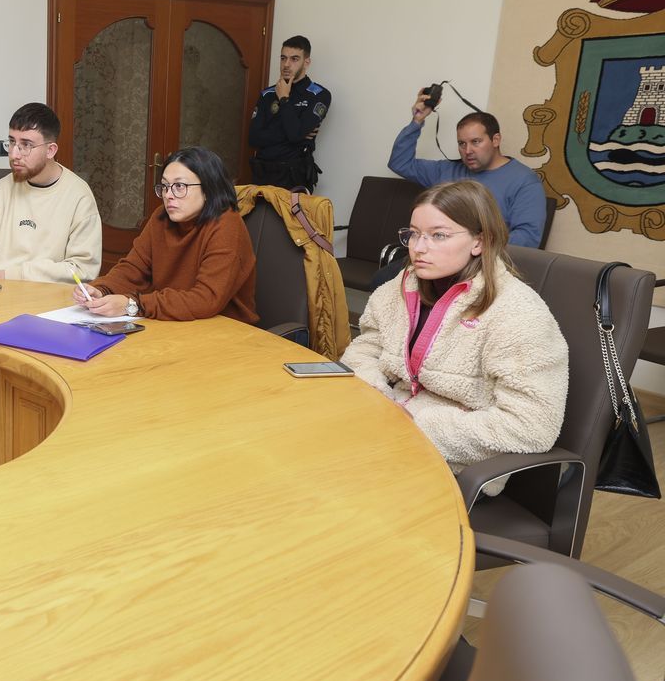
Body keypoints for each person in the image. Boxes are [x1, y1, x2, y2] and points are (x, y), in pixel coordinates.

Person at [339, 180, 568, 496]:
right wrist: (377, 399)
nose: (419, 248)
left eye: (438, 235)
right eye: (414, 234)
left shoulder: (519, 313)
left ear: (479, 242)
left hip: (454, 467)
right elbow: (365, 349)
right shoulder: (401, 286)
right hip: (385, 433)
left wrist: (413, 425)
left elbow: (532, 427)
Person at [73, 146, 257, 323]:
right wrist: (102, 289)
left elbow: (206, 299)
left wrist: (133, 305)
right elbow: (133, 269)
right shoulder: (161, 217)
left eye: (179, 186)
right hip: (174, 322)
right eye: (165, 186)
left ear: (208, 190)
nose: (168, 195)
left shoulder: (227, 224)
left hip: (224, 328)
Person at [0, 102, 101, 291]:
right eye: (12, 142)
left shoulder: (79, 196)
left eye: (26, 145)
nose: (14, 154)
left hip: (48, 297)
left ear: (51, 150)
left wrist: (16, 274)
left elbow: (82, 269)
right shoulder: (1, 189)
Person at [389, 96, 545, 247]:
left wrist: (475, 247)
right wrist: (417, 121)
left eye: (476, 142)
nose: (468, 150)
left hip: (484, 258)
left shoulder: (524, 181)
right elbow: (400, 163)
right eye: (462, 144)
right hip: (435, 252)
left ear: (495, 140)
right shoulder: (447, 171)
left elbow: (528, 238)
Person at [248, 35, 330, 192]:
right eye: (283, 58)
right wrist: (298, 134)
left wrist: (284, 99)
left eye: (294, 59)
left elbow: (295, 134)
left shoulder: (319, 95)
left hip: (294, 176)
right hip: (262, 174)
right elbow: (254, 138)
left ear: (306, 62)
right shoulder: (267, 94)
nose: (286, 64)